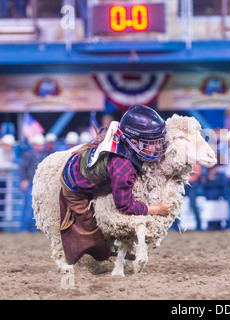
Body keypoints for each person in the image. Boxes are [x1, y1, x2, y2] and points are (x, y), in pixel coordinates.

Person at [58, 105, 173, 265]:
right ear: (134, 142)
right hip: (74, 182)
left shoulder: (124, 133)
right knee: (94, 240)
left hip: (85, 165)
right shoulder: (124, 167)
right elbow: (124, 206)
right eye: (151, 142)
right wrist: (156, 210)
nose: (158, 146)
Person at [20, 133, 47, 232]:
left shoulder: (44, 155)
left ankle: (35, 228)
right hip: (31, 183)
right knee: (28, 206)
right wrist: (24, 180)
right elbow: (22, 168)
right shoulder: (28, 155)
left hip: (40, 184)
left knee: (39, 207)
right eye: (39, 144)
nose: (41, 146)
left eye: (41, 144)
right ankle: (24, 229)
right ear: (34, 145)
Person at [0, 134, 19, 230]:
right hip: (2, 180)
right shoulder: (1, 153)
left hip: (4, 181)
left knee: (2, 203)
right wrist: (13, 166)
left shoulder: (11, 154)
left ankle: (1, 226)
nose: (10, 147)